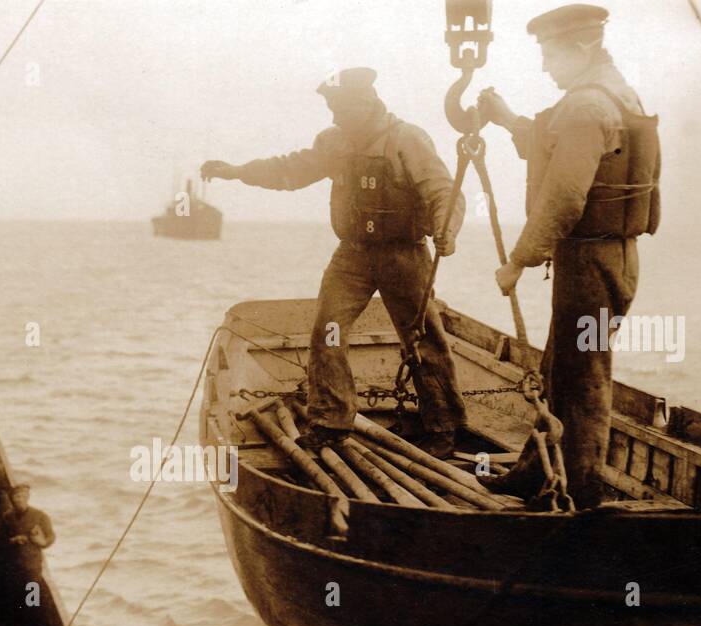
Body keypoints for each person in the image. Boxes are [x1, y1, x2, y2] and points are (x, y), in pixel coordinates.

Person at [202, 67, 468, 455]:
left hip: (403, 256)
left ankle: (443, 426)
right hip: (353, 256)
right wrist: (237, 172)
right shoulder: (335, 141)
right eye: (331, 109)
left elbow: (443, 191)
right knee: (328, 330)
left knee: (422, 339)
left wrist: (448, 229)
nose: (333, 117)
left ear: (365, 104)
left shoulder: (406, 139)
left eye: (339, 109)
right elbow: (289, 169)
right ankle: (330, 420)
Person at [478, 4, 659, 509]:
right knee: (562, 365)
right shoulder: (611, 96)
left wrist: (518, 260)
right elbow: (557, 151)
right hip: (605, 259)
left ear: (580, 49)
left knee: (583, 378)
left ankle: (580, 495)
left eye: (549, 55)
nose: (544, 67)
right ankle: (535, 471)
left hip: (592, 265)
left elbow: (564, 195)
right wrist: (506, 118)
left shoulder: (585, 107)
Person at [0, 484, 55, 626]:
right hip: (13, 573)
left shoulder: (40, 516)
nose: (20, 500)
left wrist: (41, 542)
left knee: (34, 607)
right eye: (16, 497)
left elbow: (50, 537)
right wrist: (12, 541)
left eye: (23, 497)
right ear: (11, 500)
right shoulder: (7, 518)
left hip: (32, 572)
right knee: (12, 609)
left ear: (28, 498)